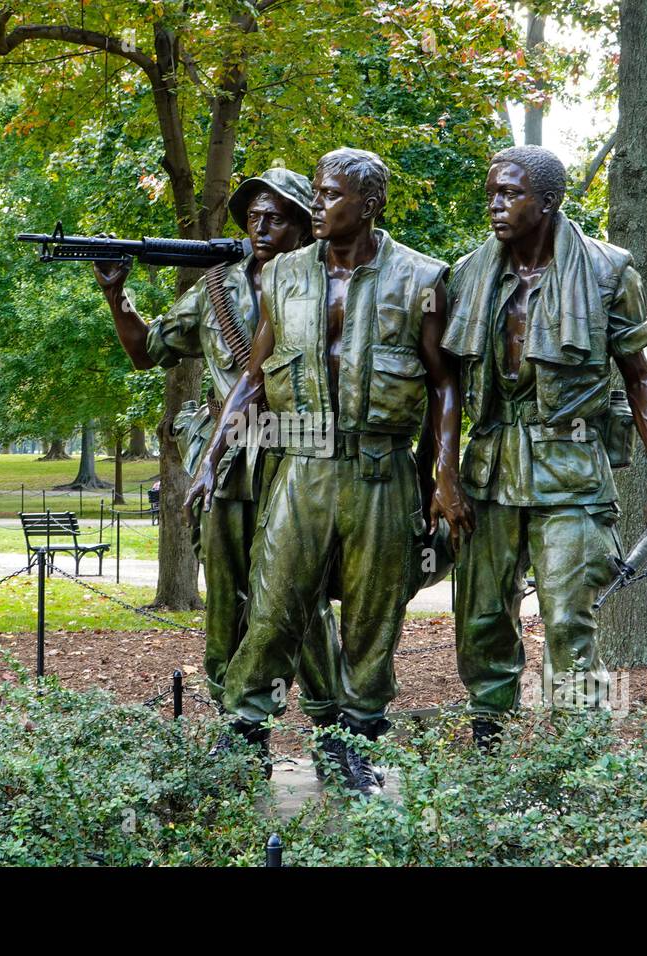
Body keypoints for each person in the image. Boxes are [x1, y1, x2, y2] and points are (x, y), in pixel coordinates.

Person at [188, 147, 473, 796]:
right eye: (315, 194)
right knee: (273, 610)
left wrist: (443, 478)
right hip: (302, 468)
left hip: (381, 472)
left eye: (330, 196)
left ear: (370, 205)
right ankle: (243, 739)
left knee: (372, 624)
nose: (316, 206)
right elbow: (253, 381)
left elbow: (444, 388)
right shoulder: (284, 275)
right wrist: (212, 462)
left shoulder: (423, 277)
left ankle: (350, 749)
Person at [442, 146, 647, 746]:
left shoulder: (609, 272)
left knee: (566, 621)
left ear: (549, 202)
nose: (496, 205)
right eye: (492, 194)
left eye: (511, 194)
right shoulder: (468, 275)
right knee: (480, 619)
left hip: (572, 471)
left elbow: (642, 376)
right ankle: (490, 746)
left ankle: (579, 759)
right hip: (491, 467)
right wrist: (444, 474)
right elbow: (445, 382)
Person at [93, 166, 345, 735]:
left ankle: (334, 731)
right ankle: (240, 728)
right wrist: (116, 293)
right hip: (228, 461)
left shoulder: (329, 285)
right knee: (226, 597)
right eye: (252, 217)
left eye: (275, 217)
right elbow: (145, 351)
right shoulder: (215, 289)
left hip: (297, 454)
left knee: (298, 593)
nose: (260, 227)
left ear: (305, 226)